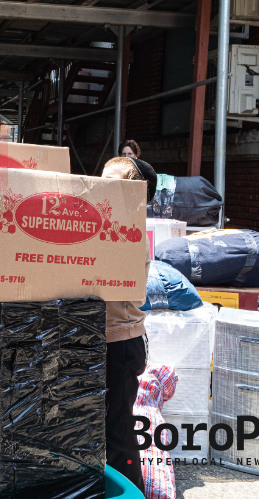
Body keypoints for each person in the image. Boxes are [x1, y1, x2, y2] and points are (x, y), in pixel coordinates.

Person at [100, 155, 158, 493]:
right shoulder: (108, 223)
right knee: (107, 426)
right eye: (101, 177)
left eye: (113, 181)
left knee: (118, 430)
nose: (101, 186)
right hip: (104, 339)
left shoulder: (128, 232)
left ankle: (131, 490)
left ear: (136, 192)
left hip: (120, 344)